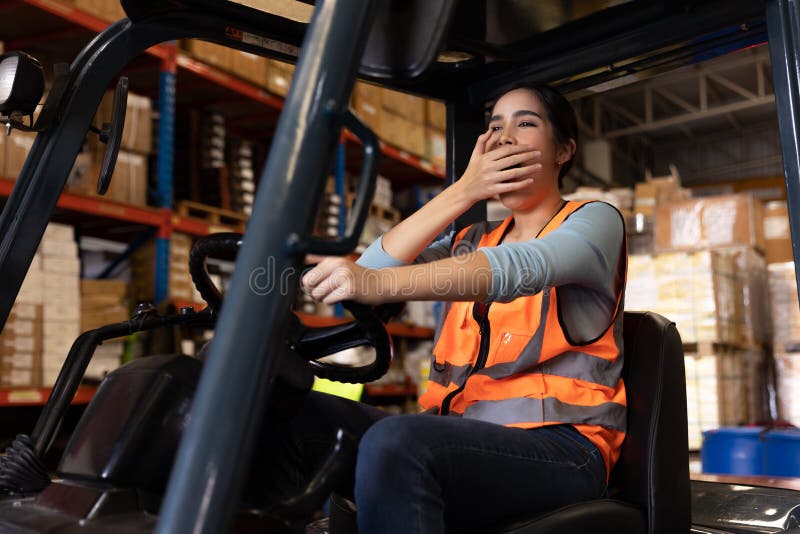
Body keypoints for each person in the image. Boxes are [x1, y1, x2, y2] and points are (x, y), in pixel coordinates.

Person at [267, 84, 627, 533]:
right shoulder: (472, 238)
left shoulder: (594, 222)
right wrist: (462, 192)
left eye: (526, 123)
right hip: (461, 434)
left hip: (564, 447)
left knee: (398, 442)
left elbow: (525, 266)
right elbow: (370, 274)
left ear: (564, 151)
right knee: (272, 408)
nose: (504, 137)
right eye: (495, 126)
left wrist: (375, 281)